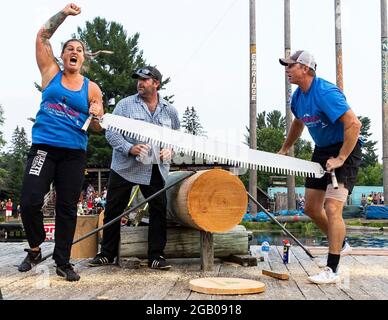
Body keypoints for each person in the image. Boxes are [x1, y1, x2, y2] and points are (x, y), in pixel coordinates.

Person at [18, 3, 104, 282]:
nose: (74, 52)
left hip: (73, 154)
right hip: (44, 147)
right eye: (70, 48)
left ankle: (63, 261)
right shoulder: (50, 73)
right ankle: (34, 248)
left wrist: (97, 116)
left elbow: (97, 127)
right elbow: (42, 36)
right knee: (30, 201)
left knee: (67, 207)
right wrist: (65, 14)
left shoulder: (91, 88)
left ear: (84, 58)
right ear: (62, 55)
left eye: (79, 50)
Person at [278, 50, 362, 284]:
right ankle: (342, 243)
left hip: (346, 148)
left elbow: (354, 124)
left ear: (305, 68)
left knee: (333, 208)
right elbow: (298, 122)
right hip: (322, 150)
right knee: (312, 209)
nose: (287, 70)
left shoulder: (325, 92)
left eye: (291, 66)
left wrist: (341, 158)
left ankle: (332, 270)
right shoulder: (297, 97)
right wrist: (285, 148)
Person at [88, 66, 180, 270]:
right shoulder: (125, 105)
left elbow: (175, 138)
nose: (139, 82)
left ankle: (156, 256)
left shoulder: (170, 111)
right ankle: (107, 254)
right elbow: (111, 134)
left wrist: (170, 151)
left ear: (156, 83)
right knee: (113, 210)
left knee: (158, 209)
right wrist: (130, 149)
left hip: (154, 168)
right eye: (138, 79)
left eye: (144, 79)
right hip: (125, 166)